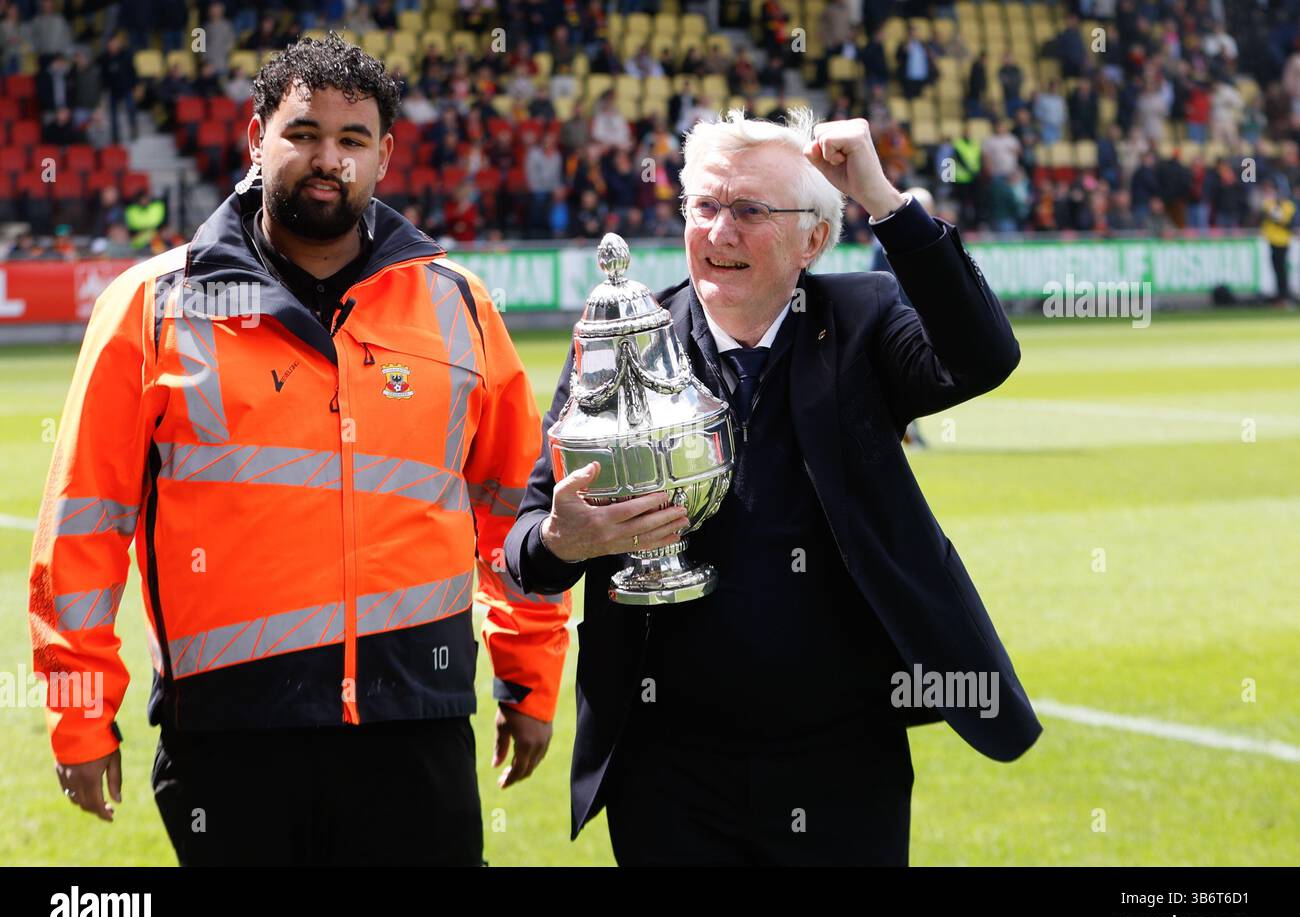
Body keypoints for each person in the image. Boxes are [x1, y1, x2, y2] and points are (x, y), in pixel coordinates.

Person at [29, 32, 569, 866]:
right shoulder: (151, 307)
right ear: (256, 139)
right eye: (304, 133)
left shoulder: (460, 307)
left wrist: (528, 674)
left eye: (352, 141)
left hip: (415, 727)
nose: (329, 159)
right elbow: (81, 532)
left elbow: (512, 507)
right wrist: (77, 713)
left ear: (385, 155)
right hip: (229, 742)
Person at [504, 109, 1042, 866]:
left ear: (813, 240)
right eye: (704, 206)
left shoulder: (860, 317)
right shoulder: (628, 338)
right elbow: (526, 546)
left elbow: (981, 356)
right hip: (669, 767)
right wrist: (565, 540)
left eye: (751, 210)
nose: (719, 232)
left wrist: (886, 201)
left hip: (844, 759)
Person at [1260, 178, 1296, 304]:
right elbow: (1265, 215)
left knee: (1281, 271)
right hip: (1272, 241)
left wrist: (1276, 217)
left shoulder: (1288, 206)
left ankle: (1284, 296)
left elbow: (1287, 223)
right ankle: (1281, 296)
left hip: (1283, 242)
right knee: (1277, 270)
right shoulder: (1270, 203)